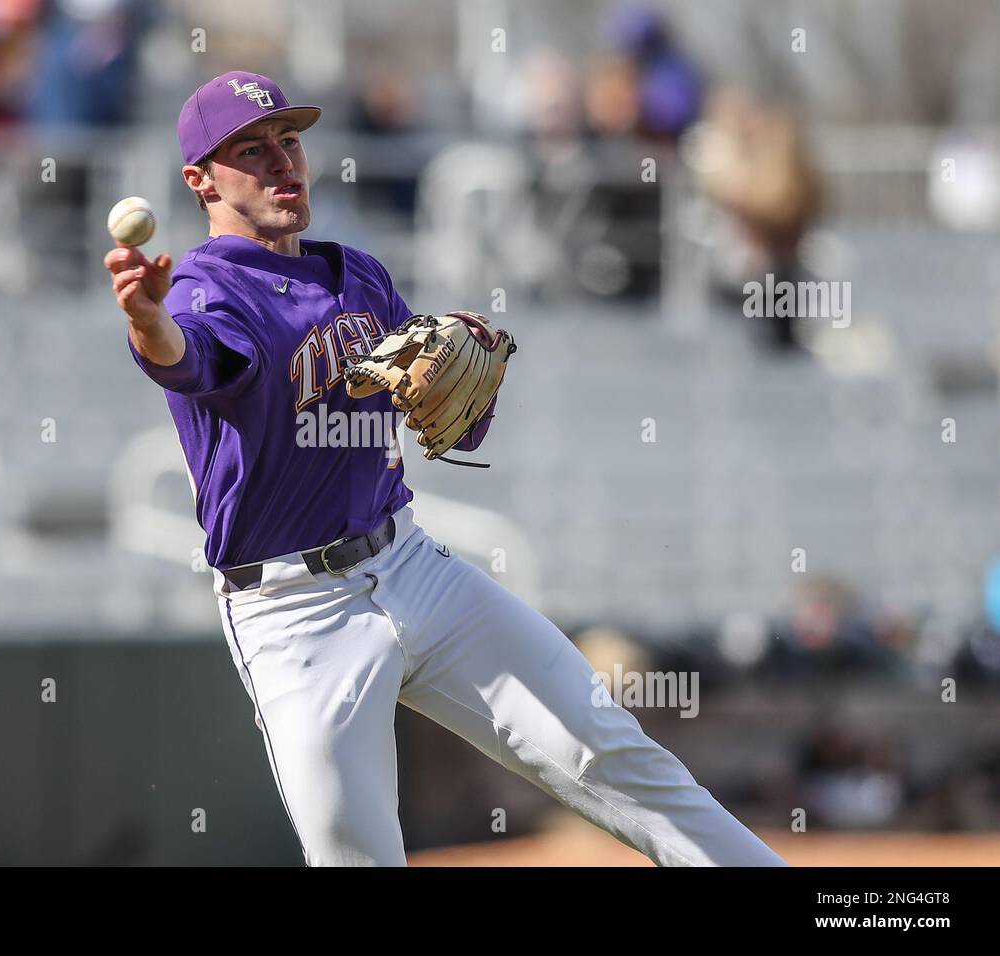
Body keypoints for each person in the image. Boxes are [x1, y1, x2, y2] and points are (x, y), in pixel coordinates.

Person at [107, 71, 786, 867]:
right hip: (296, 613)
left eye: (289, 141)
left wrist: (457, 368)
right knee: (352, 850)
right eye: (251, 151)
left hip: (411, 563)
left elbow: (446, 419)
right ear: (199, 180)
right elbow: (187, 361)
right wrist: (148, 322)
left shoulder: (358, 273)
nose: (281, 162)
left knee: (606, 749)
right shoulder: (202, 290)